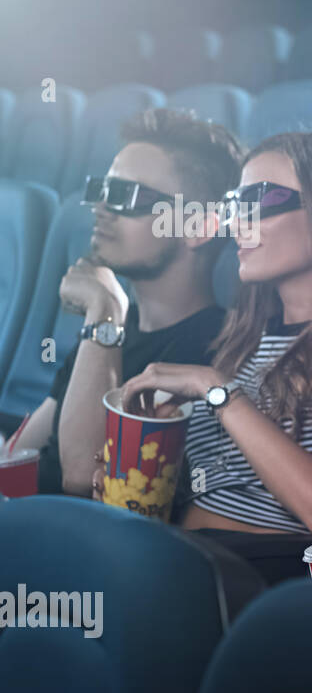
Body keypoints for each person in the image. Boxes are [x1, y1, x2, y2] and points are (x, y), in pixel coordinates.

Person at [114, 130, 312, 549]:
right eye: (235, 204)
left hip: (258, 570)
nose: (237, 222)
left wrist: (216, 391)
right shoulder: (245, 335)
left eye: (260, 201)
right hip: (176, 548)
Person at [3, 108, 239, 497]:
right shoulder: (108, 335)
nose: (100, 209)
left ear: (198, 226)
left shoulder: (218, 350)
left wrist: (105, 309)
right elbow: (19, 454)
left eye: (127, 196)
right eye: (101, 191)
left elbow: (86, 475)